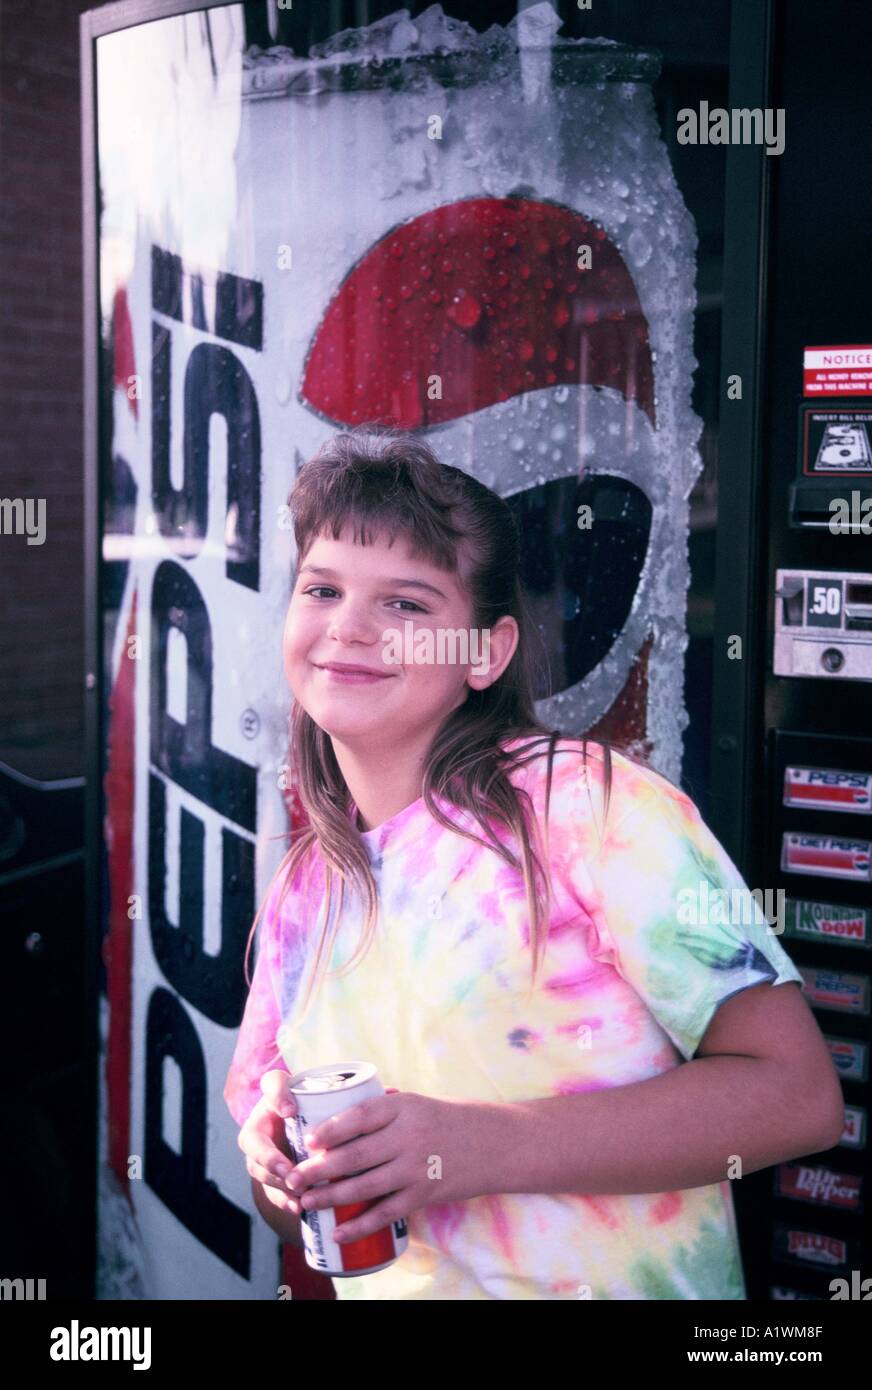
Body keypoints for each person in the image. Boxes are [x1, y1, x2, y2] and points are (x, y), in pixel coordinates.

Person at [224, 424, 843, 1301]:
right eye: (322, 588)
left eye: (406, 604)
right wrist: (285, 1170)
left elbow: (798, 1097)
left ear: (486, 653)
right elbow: (290, 1204)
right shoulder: (305, 889)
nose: (349, 627)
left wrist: (475, 1145)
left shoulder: (588, 806)